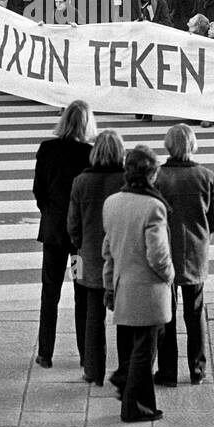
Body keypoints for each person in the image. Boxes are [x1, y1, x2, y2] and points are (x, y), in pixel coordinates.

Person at [103, 145, 174, 423]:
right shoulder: (153, 207)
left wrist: (109, 285)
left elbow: (107, 249)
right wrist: (169, 275)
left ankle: (127, 382)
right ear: (151, 175)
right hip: (148, 289)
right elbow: (157, 254)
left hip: (123, 285)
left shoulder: (112, 203)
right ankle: (136, 406)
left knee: (137, 346)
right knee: (146, 349)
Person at [32, 100, 96, 368]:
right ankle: (84, 353)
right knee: (81, 292)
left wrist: (50, 213)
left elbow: (39, 190)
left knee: (50, 292)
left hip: (53, 235)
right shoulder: (89, 154)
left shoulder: (48, 149)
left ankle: (45, 352)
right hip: (78, 240)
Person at [154, 124, 214, 387]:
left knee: (165, 314)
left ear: (168, 146)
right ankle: (197, 369)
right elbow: (213, 219)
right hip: (194, 251)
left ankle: (167, 371)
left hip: (165, 251)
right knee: (195, 312)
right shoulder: (206, 176)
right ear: (192, 145)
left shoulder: (157, 176)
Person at [67, 130, 126, 386]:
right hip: (121, 257)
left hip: (90, 257)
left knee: (93, 316)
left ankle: (93, 370)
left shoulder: (81, 181)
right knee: (125, 318)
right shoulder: (125, 179)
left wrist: (82, 246)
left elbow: (73, 224)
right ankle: (125, 368)